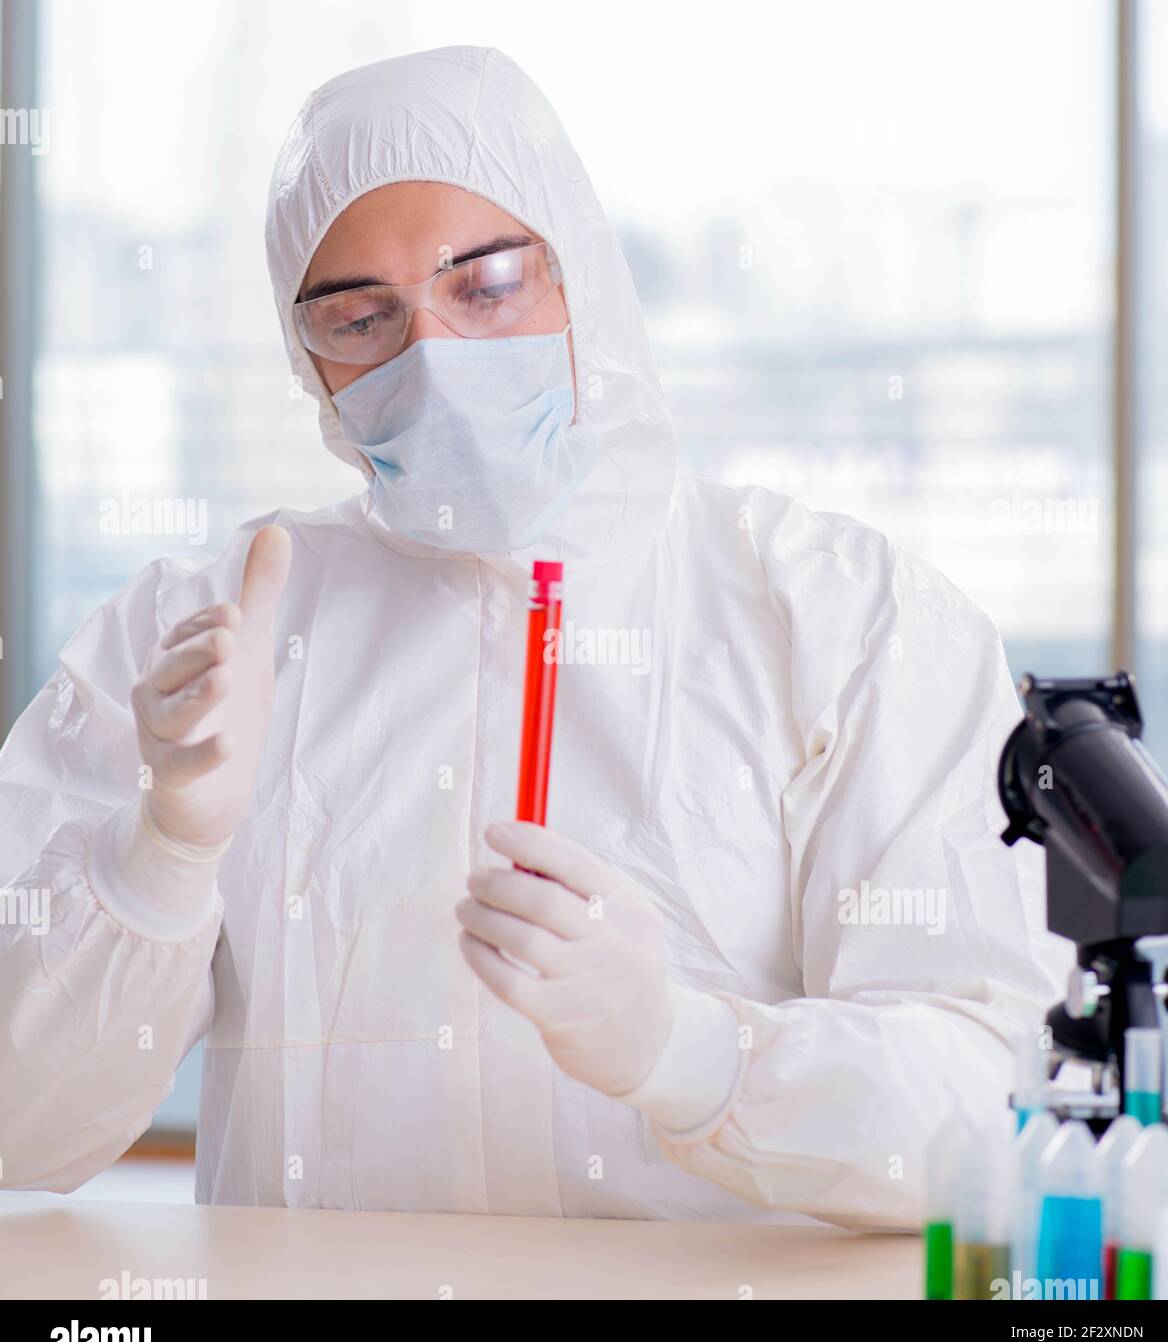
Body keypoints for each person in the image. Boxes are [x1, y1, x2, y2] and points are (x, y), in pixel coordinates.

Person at [0, 46, 1069, 1226]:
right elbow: (19, 1128)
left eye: (488, 284)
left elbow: (993, 1107)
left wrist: (688, 1052)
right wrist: (157, 854)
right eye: (361, 317)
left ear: (581, 274)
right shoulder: (201, 638)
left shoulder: (841, 618)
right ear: (308, 360)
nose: (435, 359)